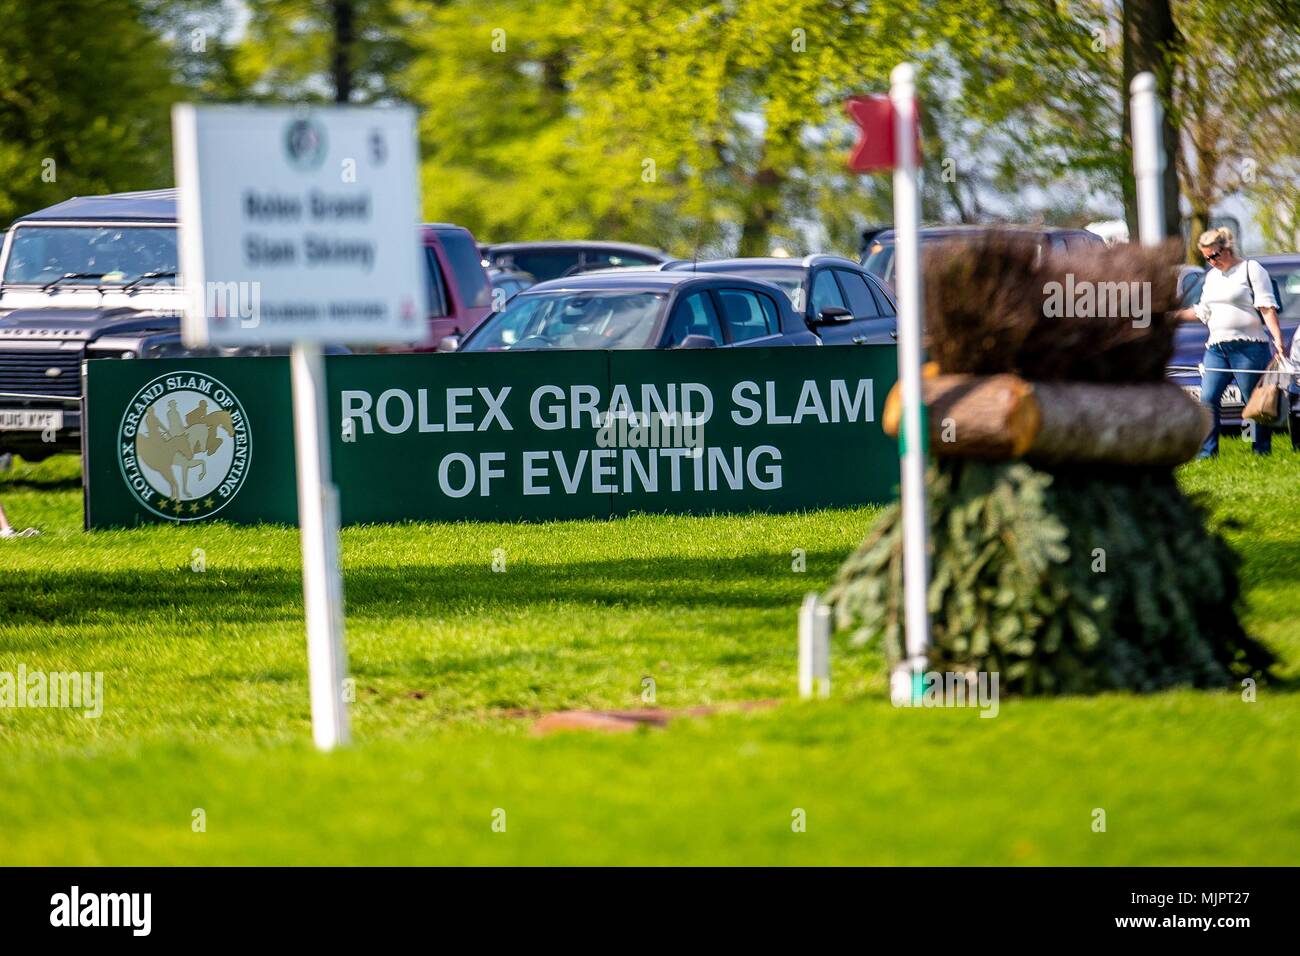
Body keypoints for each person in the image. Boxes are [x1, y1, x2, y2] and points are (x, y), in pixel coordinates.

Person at [1174, 227, 1286, 458]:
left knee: (1253, 404)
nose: (1212, 261)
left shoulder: (1250, 269)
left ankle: (1260, 451)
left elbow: (1266, 306)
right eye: (1207, 258)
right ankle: (1208, 453)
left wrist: (1277, 339)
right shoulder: (1212, 276)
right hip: (1216, 348)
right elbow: (1202, 311)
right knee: (1208, 399)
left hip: (1249, 346)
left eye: (1215, 255)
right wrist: (1171, 316)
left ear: (1226, 248)